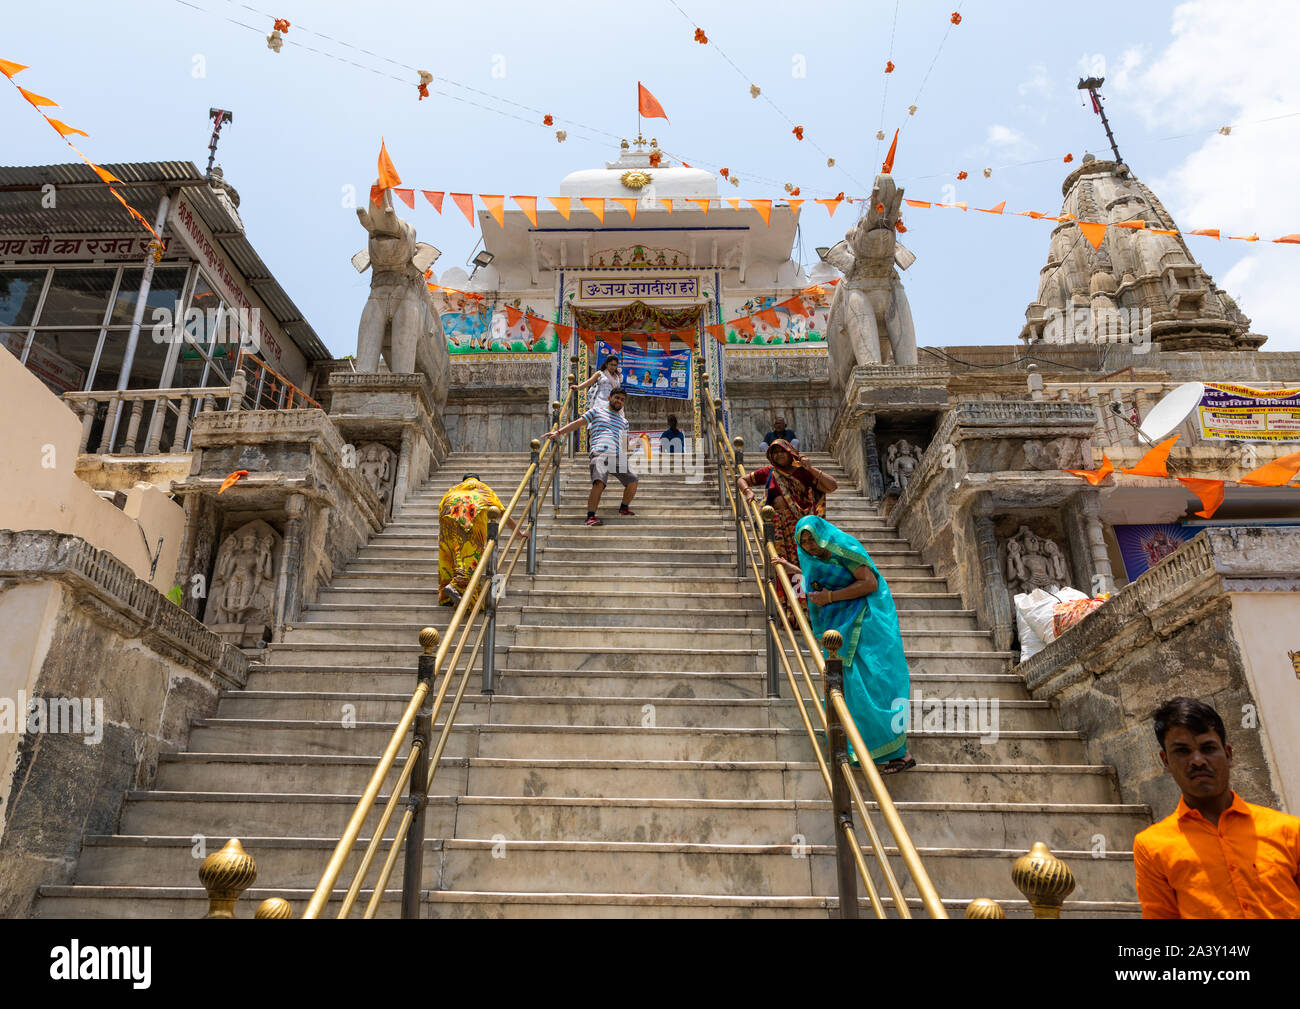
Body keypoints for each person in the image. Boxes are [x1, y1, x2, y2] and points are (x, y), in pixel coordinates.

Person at [1132, 697, 1300, 918]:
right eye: (1183, 751)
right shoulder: (1152, 847)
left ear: (1228, 755)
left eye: (1208, 748)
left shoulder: (1288, 830)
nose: (1198, 760)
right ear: (1165, 761)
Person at [789, 516, 915, 774]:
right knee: (851, 688)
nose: (810, 545)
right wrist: (790, 567)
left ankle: (899, 754)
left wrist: (830, 597)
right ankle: (862, 749)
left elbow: (869, 583)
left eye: (812, 538)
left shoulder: (844, 548)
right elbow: (830, 577)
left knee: (874, 685)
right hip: (843, 626)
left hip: (866, 624)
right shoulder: (818, 557)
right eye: (804, 541)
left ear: (823, 534)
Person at [543, 386, 638, 526]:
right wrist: (558, 432)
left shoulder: (624, 422)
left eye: (622, 400)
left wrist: (634, 445)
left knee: (633, 480)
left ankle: (624, 508)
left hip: (617, 455)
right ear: (609, 398)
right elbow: (578, 423)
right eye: (617, 398)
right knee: (599, 482)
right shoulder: (596, 411)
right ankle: (590, 516)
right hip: (599, 452)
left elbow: (624, 445)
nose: (619, 401)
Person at [737, 439, 836, 570]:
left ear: (790, 452)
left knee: (806, 556)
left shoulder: (803, 471)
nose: (779, 455)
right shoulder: (770, 471)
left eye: (782, 451)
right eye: (775, 452)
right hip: (779, 526)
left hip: (802, 524)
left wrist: (810, 468)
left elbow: (832, 486)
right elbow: (742, 480)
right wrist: (748, 492)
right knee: (779, 559)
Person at [437, 474, 527, 606]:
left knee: (449, 555)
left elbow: (440, 508)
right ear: (478, 480)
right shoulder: (484, 489)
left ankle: (445, 597)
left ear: (464, 481)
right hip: (472, 515)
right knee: (471, 554)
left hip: (448, 514)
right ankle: (456, 586)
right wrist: (519, 532)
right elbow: (502, 512)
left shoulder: (453, 490)